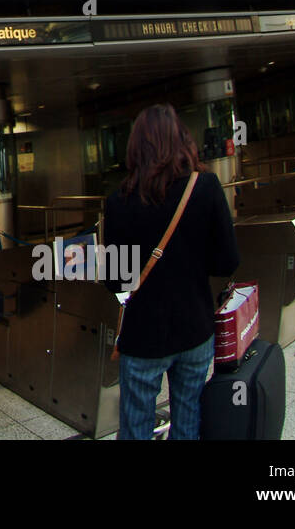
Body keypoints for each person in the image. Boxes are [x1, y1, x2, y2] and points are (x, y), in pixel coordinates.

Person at [102, 103, 239, 440]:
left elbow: (118, 281)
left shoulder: (119, 200)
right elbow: (227, 261)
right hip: (195, 328)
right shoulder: (205, 186)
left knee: (136, 427)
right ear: (181, 140)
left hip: (144, 337)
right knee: (188, 416)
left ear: (136, 147)